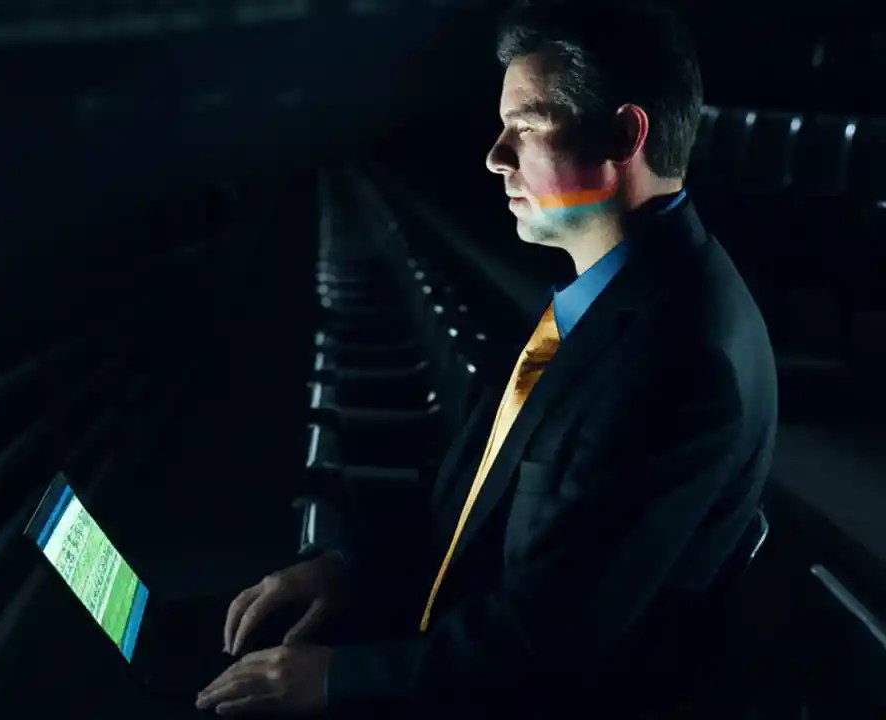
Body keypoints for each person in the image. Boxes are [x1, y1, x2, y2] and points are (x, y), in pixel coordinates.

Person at [195, 0, 779, 717]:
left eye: (526, 128)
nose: (496, 156)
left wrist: (333, 681)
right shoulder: (601, 295)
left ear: (626, 135)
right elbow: (471, 505)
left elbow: (546, 648)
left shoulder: (683, 360)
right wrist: (349, 574)